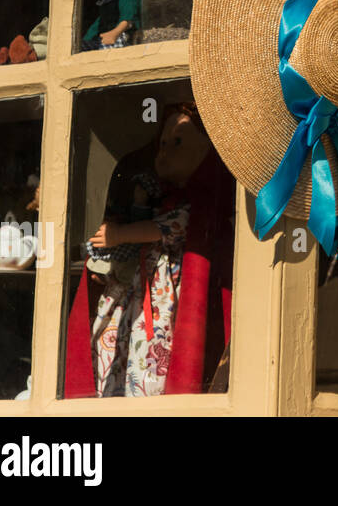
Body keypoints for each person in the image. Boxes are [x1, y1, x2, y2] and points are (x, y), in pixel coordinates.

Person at [64, 102, 234, 397]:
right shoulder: (165, 199)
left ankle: (145, 394)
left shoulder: (196, 207)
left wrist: (119, 234)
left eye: (177, 143)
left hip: (162, 299)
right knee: (119, 336)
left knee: (151, 344)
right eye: (163, 143)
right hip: (141, 289)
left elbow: (166, 228)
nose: (165, 151)